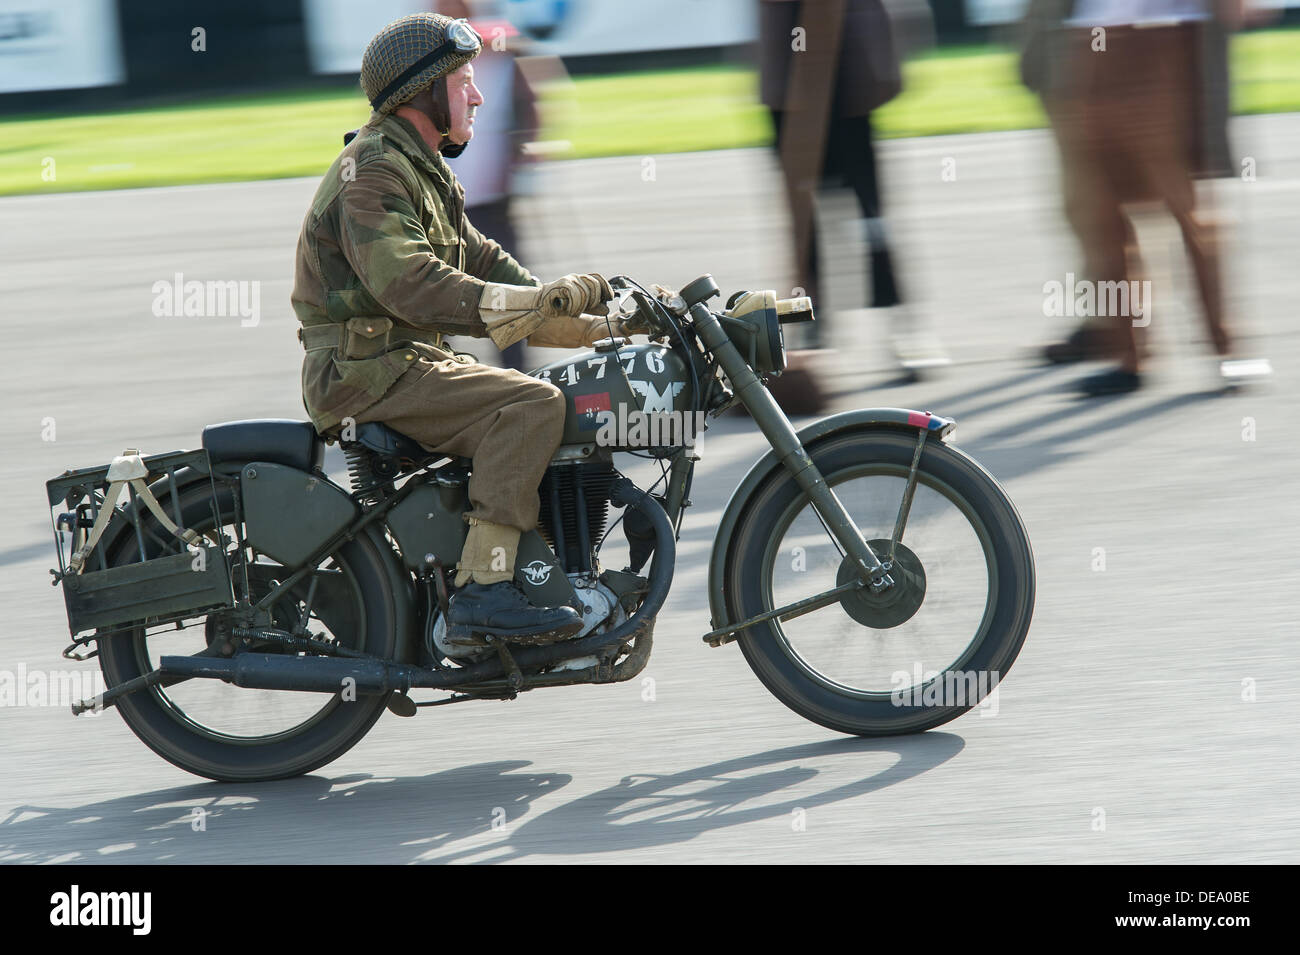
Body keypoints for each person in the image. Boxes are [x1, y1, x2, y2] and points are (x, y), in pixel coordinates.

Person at [290, 13, 640, 645]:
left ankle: (547, 571)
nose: (478, 95)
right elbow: (409, 283)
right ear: (424, 93)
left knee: (571, 390)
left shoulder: (423, 171)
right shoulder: (371, 172)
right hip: (367, 374)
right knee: (532, 405)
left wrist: (607, 325)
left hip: (403, 365)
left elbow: (493, 269)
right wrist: (530, 307)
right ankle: (487, 589)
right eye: (463, 81)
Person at [1024, 0, 1271, 394]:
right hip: (1083, 44)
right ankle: (1128, 357)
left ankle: (1226, 350)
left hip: (1164, 38)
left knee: (1186, 208)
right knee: (1100, 217)